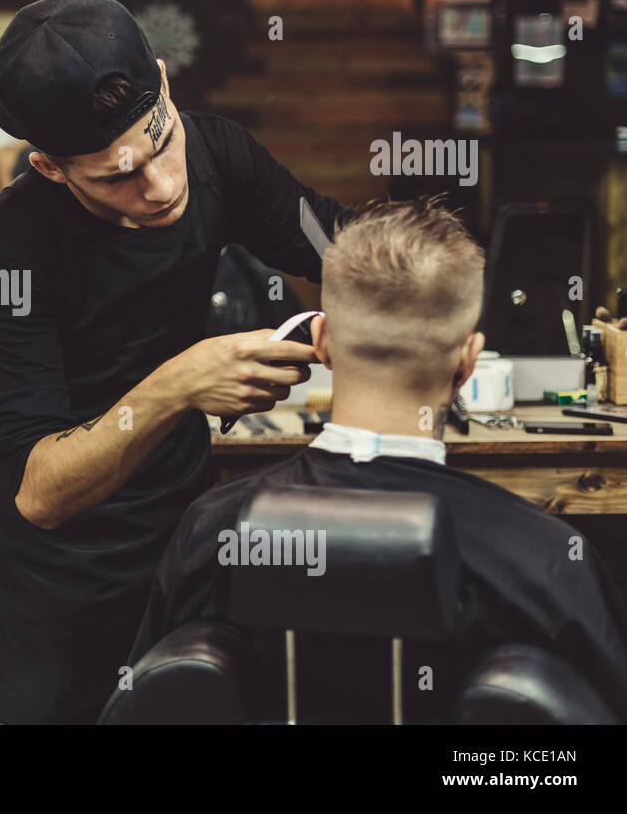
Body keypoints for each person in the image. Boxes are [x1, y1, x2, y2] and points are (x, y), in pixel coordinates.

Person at [0, 0, 350, 724]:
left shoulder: (217, 153)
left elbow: (341, 245)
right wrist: (179, 384)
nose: (161, 186)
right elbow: (40, 490)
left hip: (177, 554)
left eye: (162, 140)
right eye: (116, 177)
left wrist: (407, 298)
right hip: (56, 596)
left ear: (166, 82)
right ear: (50, 167)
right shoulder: (11, 243)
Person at [128, 197, 627, 722]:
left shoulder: (213, 533)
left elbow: (158, 699)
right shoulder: (546, 559)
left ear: (321, 344)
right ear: (467, 361)